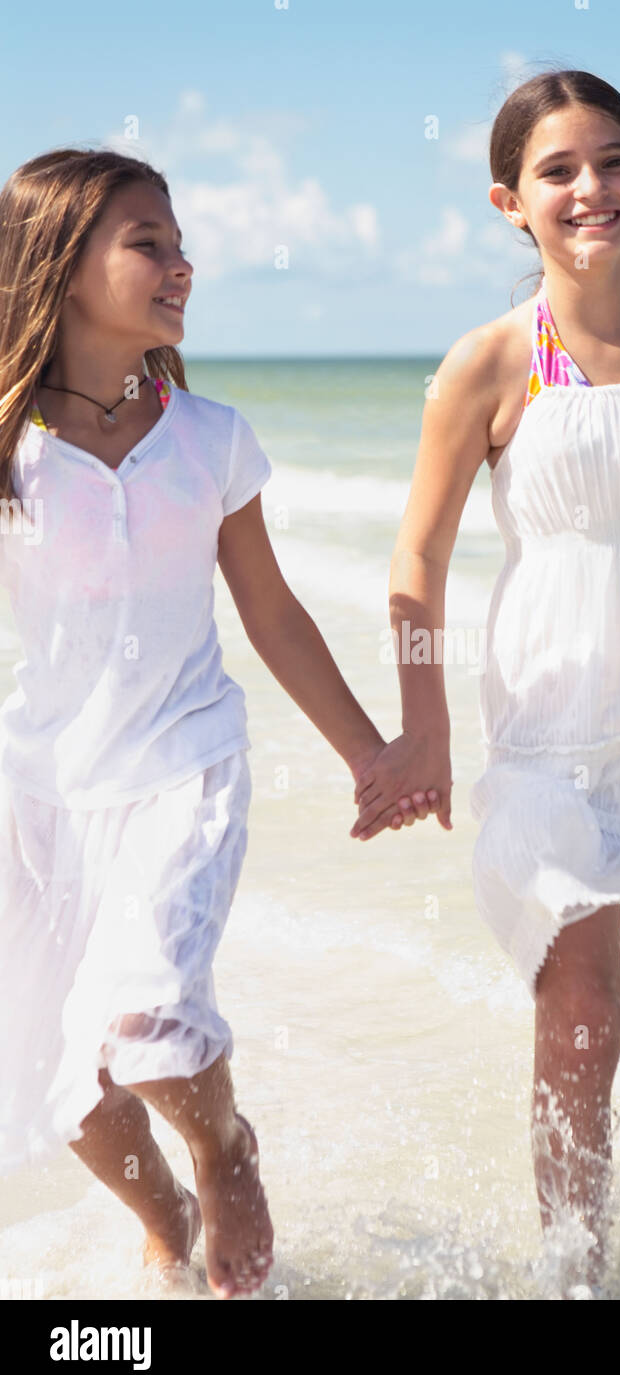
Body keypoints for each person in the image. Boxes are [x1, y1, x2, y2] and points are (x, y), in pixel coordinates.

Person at [0, 146, 436, 1299]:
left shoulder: (209, 437)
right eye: (149, 242)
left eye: (179, 242)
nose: (180, 264)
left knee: (149, 1009)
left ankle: (223, 1150)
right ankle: (166, 1216)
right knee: (59, 1077)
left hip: (183, 762)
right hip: (39, 791)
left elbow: (274, 614)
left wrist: (371, 754)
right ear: (58, 261)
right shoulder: (8, 449)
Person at [350, 69, 620, 1290]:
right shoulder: (486, 361)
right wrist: (420, 733)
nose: (591, 188)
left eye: (613, 160)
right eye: (558, 171)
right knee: (570, 1003)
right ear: (507, 202)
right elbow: (414, 555)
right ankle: (573, 1275)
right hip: (547, 724)